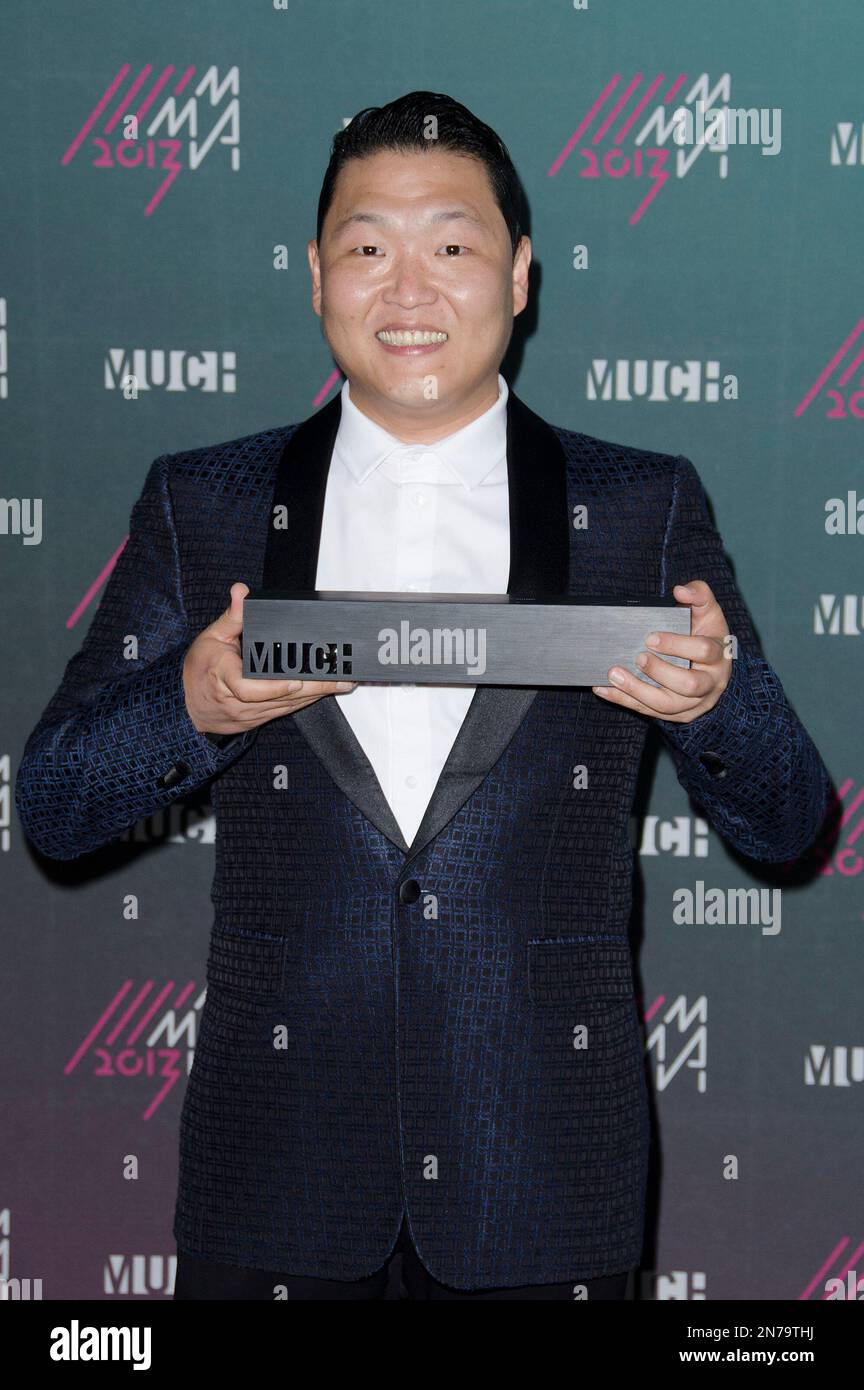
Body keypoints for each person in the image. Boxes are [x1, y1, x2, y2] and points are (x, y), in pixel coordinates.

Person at [16, 91, 831, 1301]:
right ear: (313, 277)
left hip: (545, 1182)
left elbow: (792, 816)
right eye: (367, 247)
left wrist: (715, 705)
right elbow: (55, 802)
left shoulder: (642, 504)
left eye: (451, 246)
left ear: (520, 276)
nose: (408, 290)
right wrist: (186, 706)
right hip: (274, 1183)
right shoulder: (209, 503)